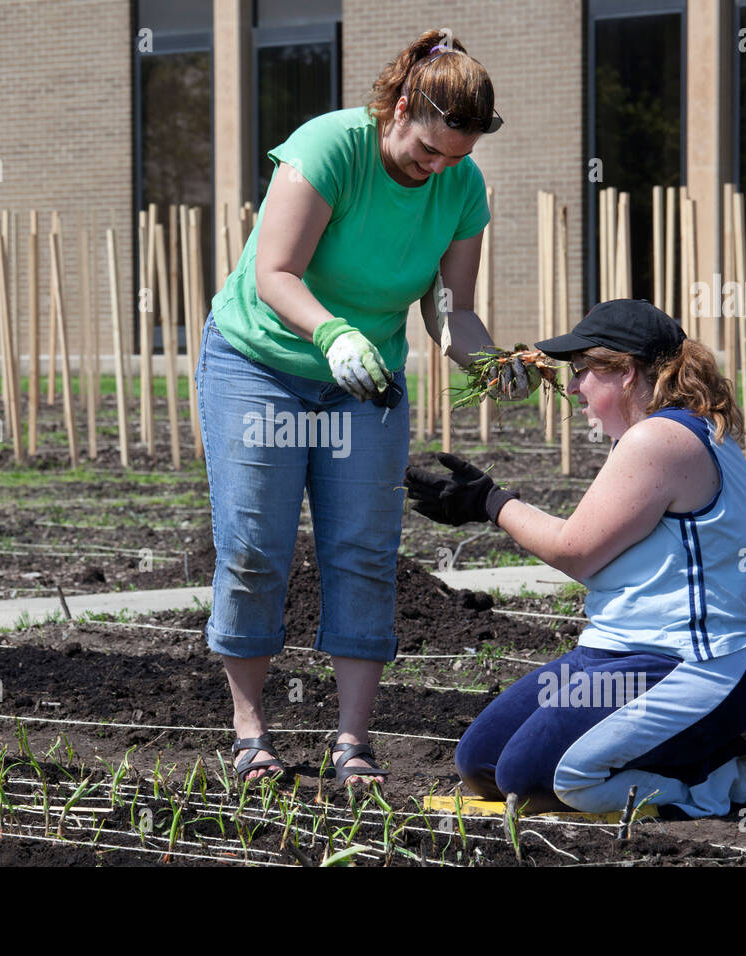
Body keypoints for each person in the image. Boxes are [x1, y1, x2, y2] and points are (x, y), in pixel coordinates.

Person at [197, 29, 508, 787]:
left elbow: (449, 311)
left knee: (365, 552)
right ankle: (249, 732)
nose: (435, 168)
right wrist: (332, 331)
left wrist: (494, 363)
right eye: (427, 151)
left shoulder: (461, 189)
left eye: (454, 157)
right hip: (259, 365)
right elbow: (274, 273)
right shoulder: (330, 147)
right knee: (255, 547)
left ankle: (352, 742)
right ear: (401, 107)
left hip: (363, 382)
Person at [404, 299, 746, 818]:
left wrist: (488, 501)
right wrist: (486, 502)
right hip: (616, 654)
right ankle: (684, 752)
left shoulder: (660, 438)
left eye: (580, 373)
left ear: (625, 372)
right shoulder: (668, 432)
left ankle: (708, 780)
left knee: (538, 778)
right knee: (481, 762)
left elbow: (574, 552)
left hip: (696, 665)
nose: (573, 388)